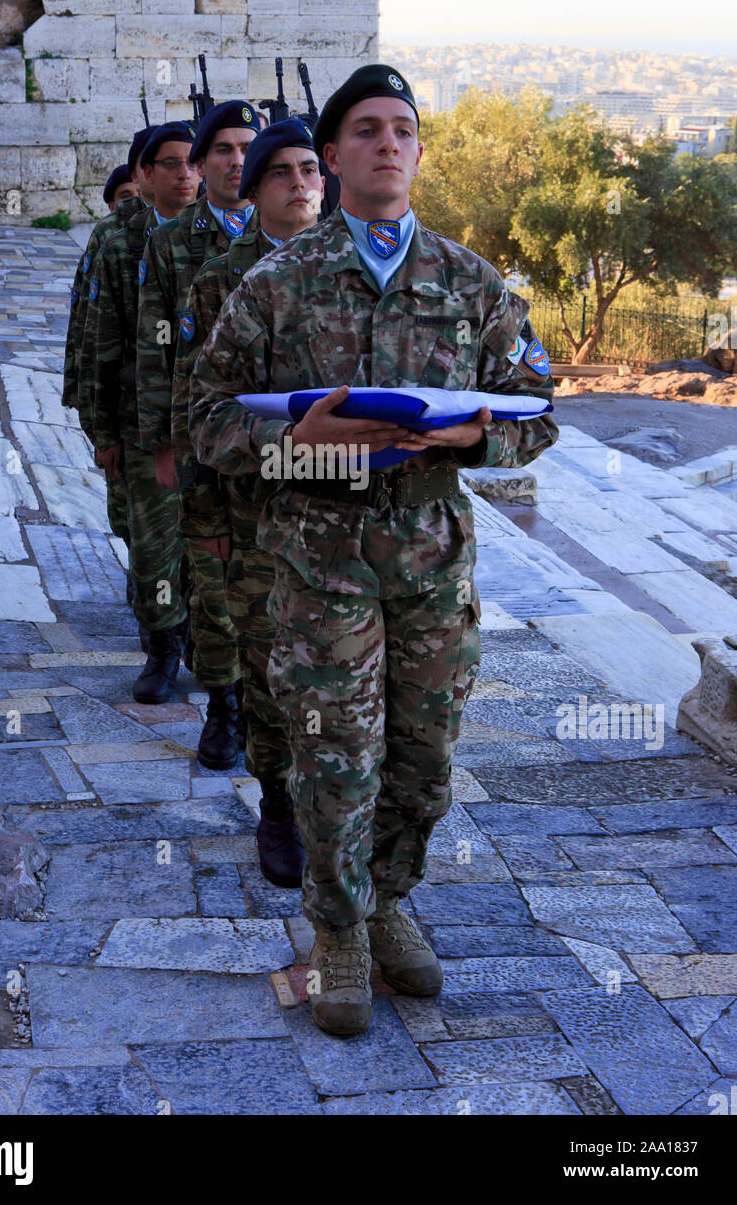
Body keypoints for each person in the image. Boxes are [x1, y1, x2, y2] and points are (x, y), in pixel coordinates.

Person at [188, 64, 558, 1037]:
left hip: (432, 561)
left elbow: (536, 411)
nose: (385, 142)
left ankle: (389, 895)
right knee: (334, 757)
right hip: (319, 563)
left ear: (419, 153)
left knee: (423, 759)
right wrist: (287, 440)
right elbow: (204, 416)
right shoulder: (278, 282)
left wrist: (476, 439)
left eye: (401, 128)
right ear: (336, 153)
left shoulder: (472, 283)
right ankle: (338, 925)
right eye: (365, 129)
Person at [171, 117, 323, 885]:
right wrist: (205, 525)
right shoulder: (219, 281)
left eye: (311, 170)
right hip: (254, 512)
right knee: (268, 672)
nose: (301, 185)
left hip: (346, 519)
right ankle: (280, 808)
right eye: (283, 172)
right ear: (256, 187)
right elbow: (193, 409)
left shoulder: (349, 273)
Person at [136, 101, 260, 759]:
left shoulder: (299, 233)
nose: (236, 160)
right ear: (203, 163)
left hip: (283, 440)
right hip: (203, 439)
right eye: (223, 150)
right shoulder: (172, 244)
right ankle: (226, 704)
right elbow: (156, 352)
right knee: (211, 581)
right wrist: (161, 444)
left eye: (247, 148)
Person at [86, 122, 200, 702]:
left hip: (207, 422)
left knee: (208, 541)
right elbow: (96, 338)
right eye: (173, 164)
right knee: (151, 544)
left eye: (193, 163)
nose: (187, 175)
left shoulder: (223, 237)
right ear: (144, 174)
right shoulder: (117, 240)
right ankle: (162, 646)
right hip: (139, 422)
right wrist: (100, 427)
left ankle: (202, 641)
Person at [62, 127, 155, 552]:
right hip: (126, 411)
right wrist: (92, 414)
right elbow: (89, 327)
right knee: (130, 519)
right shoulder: (112, 239)